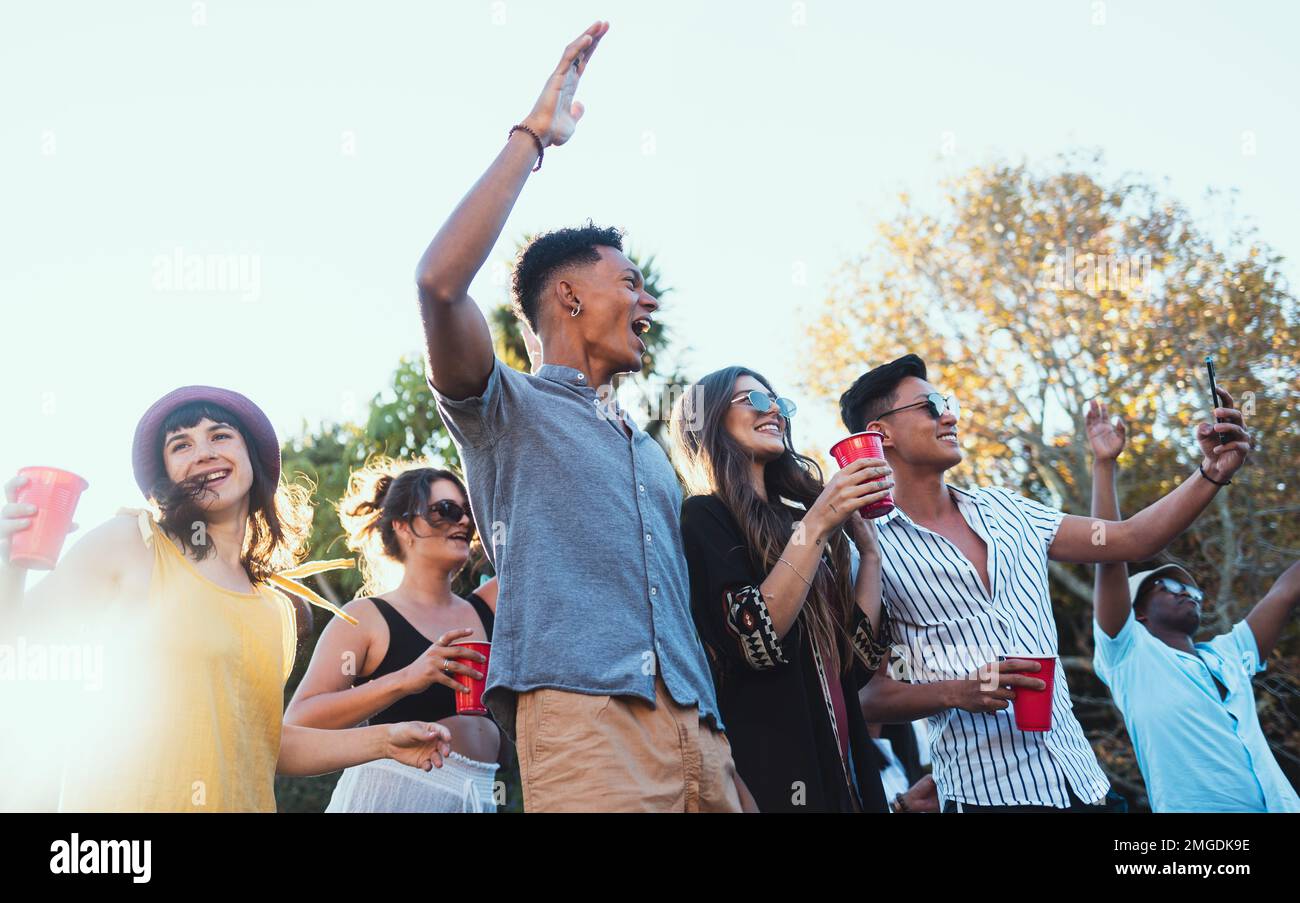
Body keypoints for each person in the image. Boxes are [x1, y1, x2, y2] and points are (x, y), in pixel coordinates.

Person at [414, 22, 748, 812]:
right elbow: (437, 284)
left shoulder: (653, 453)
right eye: (629, 282)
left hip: (699, 730)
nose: (648, 300)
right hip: (585, 725)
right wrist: (535, 136)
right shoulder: (506, 409)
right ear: (569, 296)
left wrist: (721, 758)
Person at [0, 386, 452, 811]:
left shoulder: (274, 608)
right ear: (166, 477)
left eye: (219, 435)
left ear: (251, 458)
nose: (204, 452)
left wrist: (385, 742)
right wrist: (9, 559)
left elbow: (267, 744)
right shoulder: (132, 544)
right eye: (181, 445)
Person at [841, 354, 1252, 812]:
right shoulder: (864, 550)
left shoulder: (1007, 509)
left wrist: (1212, 472)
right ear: (881, 434)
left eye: (947, 402)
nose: (949, 415)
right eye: (931, 405)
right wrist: (958, 692)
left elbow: (1130, 539)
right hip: (986, 799)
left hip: (1085, 788)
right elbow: (864, 698)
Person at [670, 367, 893, 812]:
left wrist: (869, 554)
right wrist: (818, 524)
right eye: (752, 400)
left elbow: (858, 662)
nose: (773, 408)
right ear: (711, 420)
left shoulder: (798, 521)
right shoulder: (703, 516)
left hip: (847, 778)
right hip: (775, 776)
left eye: (777, 402)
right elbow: (756, 640)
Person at [1086, 399, 1300, 812]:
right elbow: (1109, 555)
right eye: (1169, 585)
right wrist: (1104, 466)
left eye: (1196, 593)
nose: (1189, 594)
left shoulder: (1228, 655)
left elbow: (1285, 592)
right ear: (1138, 612)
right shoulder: (1130, 655)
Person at [286, 460, 501, 812]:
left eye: (468, 512)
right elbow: (299, 722)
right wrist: (405, 679)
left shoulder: (490, 607)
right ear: (404, 526)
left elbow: (546, 545)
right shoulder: (366, 618)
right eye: (445, 510)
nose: (462, 521)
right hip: (390, 797)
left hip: (477, 796)